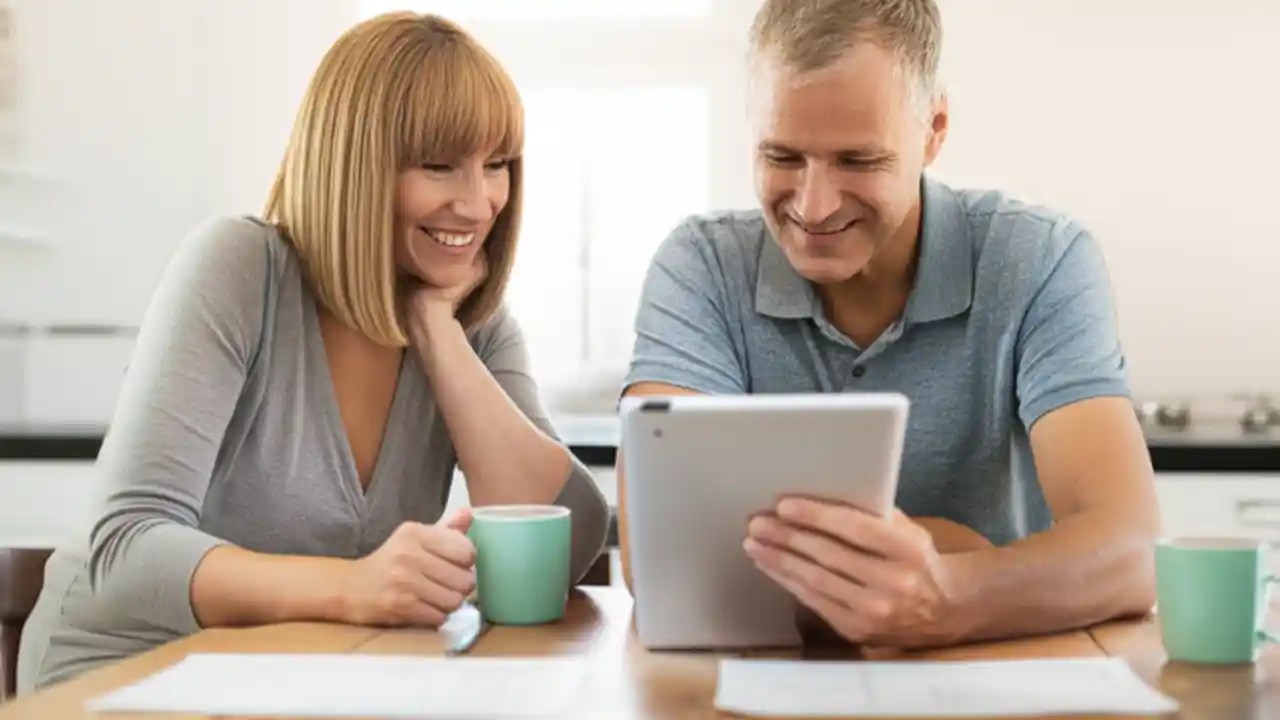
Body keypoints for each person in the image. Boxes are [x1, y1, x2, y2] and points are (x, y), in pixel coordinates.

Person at [18, 12, 609, 693]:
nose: (479, 204)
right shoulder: (240, 269)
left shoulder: (472, 325)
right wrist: (354, 588)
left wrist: (435, 330)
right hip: (121, 680)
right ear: (355, 166)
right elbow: (126, 548)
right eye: (440, 166)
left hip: (294, 687)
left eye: (498, 165)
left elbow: (563, 548)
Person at [618, 0, 1158, 649]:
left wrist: (949, 598)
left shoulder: (1039, 259)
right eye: (783, 156)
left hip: (989, 679)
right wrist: (957, 547)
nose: (814, 206)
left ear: (933, 130)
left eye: (857, 161)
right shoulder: (702, 265)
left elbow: (1130, 551)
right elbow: (663, 561)